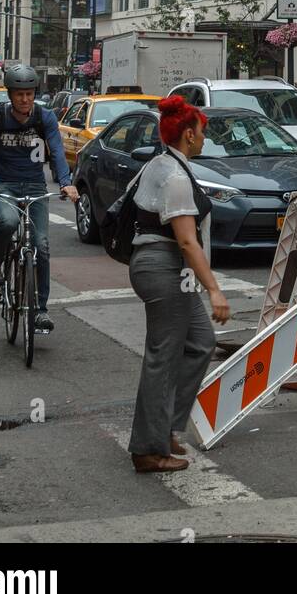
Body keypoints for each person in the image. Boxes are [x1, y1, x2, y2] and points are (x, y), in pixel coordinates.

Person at [128, 95, 231, 474]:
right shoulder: (174, 177)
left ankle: (167, 427)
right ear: (188, 135)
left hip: (167, 269)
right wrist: (215, 290)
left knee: (201, 342)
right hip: (163, 269)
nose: (204, 138)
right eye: (202, 132)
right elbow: (187, 241)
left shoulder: (163, 162)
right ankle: (148, 449)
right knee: (162, 358)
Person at [0, 64, 78, 335]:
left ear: (35, 93)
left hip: (34, 185)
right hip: (4, 185)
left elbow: (56, 151)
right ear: (10, 95)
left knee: (41, 245)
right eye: (19, 94)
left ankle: (40, 310)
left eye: (29, 93)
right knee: (7, 222)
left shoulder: (45, 118)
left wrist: (66, 184)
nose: (24, 99)